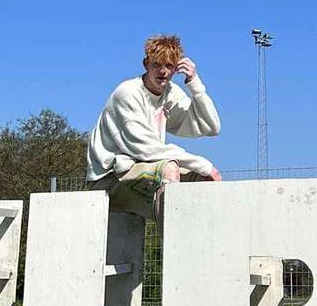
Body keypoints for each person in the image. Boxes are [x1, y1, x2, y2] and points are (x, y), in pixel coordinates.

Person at [87, 34, 222, 222]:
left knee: (204, 179)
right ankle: (171, 247)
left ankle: (199, 245)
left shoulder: (171, 93)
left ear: (176, 68)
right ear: (146, 64)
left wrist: (195, 84)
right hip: (108, 179)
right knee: (169, 169)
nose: (163, 71)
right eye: (156, 65)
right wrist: (204, 165)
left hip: (139, 169)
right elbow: (147, 148)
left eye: (169, 66)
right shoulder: (127, 94)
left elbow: (211, 126)